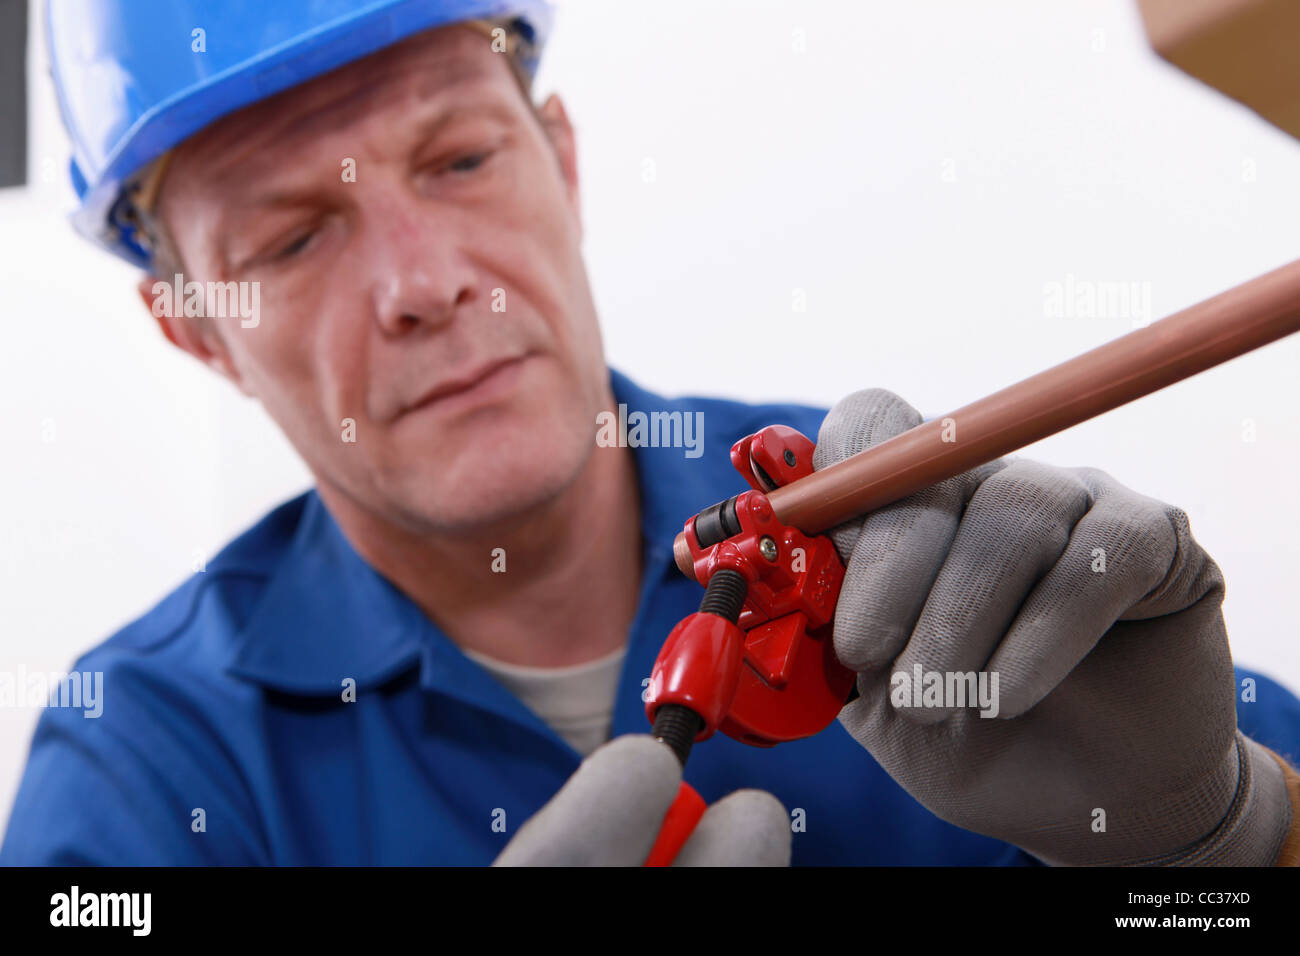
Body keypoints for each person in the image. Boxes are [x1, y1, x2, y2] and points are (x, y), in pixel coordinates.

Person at [3, 0, 1297, 867]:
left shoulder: (906, 533)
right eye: (293, 240)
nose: (423, 282)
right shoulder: (141, 769)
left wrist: (1221, 838)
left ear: (559, 162)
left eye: (458, 161)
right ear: (197, 332)